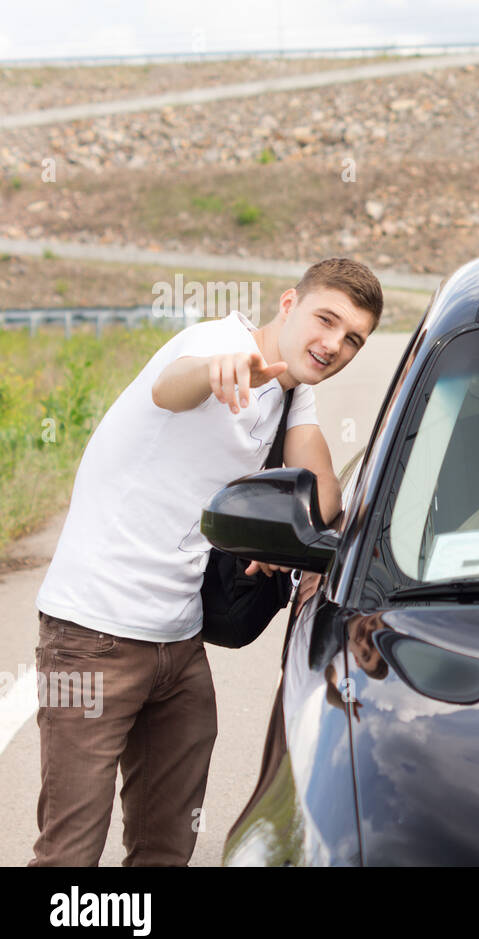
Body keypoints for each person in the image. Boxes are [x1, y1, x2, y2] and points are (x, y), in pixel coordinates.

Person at [30, 257, 382, 866]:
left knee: (166, 849)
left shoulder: (292, 389)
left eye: (353, 338)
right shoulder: (217, 344)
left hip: (180, 644)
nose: (334, 344)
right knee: (69, 857)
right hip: (92, 636)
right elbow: (172, 386)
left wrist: (278, 533)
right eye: (326, 320)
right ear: (289, 305)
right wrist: (218, 370)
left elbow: (322, 498)